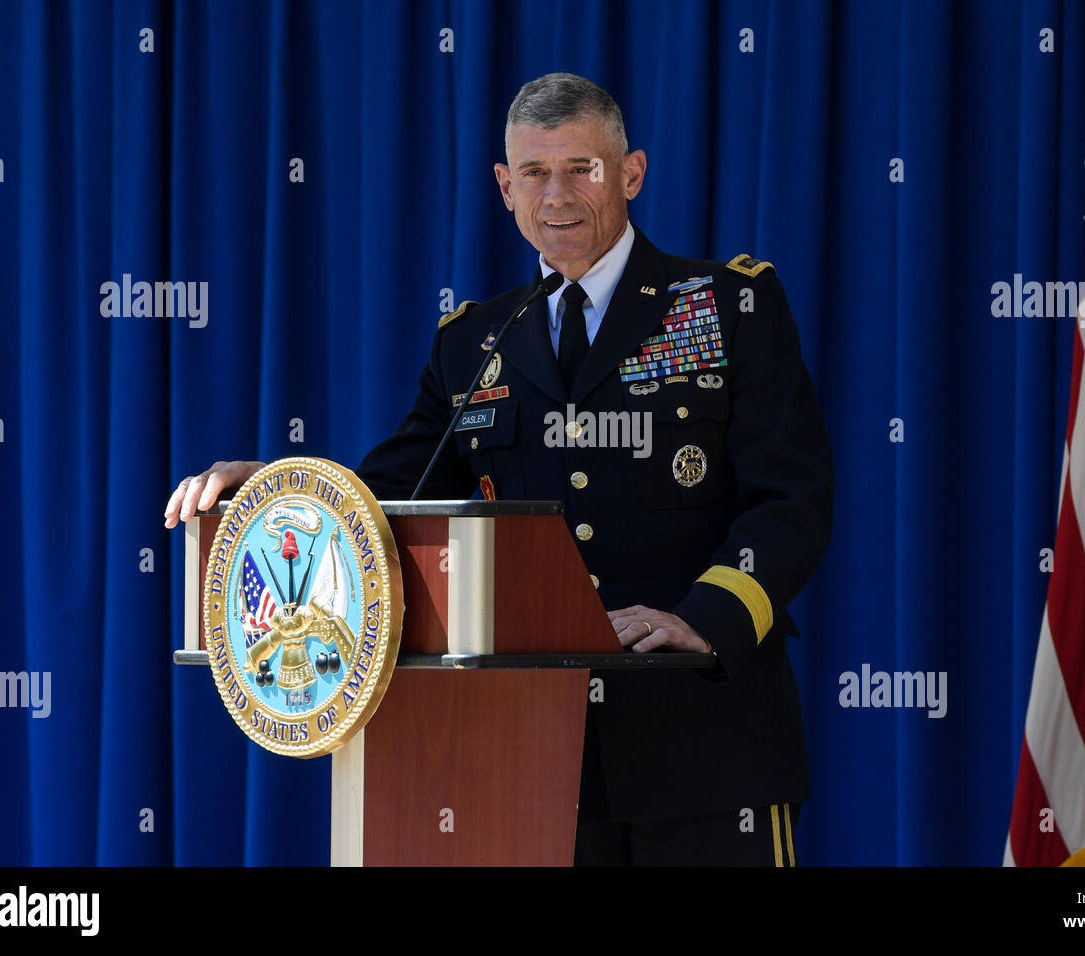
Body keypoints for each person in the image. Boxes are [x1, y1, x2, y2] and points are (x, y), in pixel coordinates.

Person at [165, 73, 833, 866]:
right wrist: (275, 488)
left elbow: (792, 499)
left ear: (632, 174)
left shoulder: (726, 308)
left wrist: (705, 618)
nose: (557, 195)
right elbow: (391, 497)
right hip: (532, 754)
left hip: (704, 742)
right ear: (504, 187)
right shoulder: (474, 340)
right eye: (534, 173)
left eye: (581, 168)